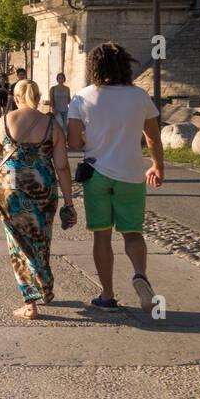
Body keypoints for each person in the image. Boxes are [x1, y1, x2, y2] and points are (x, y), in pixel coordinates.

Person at [66, 43, 163, 312]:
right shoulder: (140, 96)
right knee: (133, 232)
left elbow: (74, 141)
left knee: (102, 236)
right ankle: (140, 275)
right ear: (126, 65)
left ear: (93, 67)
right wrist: (157, 166)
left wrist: (91, 138)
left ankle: (107, 296)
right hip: (131, 174)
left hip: (96, 174)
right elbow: (153, 137)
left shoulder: (82, 97)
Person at [0, 79, 75, 319]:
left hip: (10, 190)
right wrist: (69, 202)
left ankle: (30, 302)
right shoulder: (53, 126)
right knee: (41, 240)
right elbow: (63, 167)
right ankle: (43, 288)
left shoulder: (3, 122)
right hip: (43, 190)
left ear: (16, 98)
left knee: (18, 245)